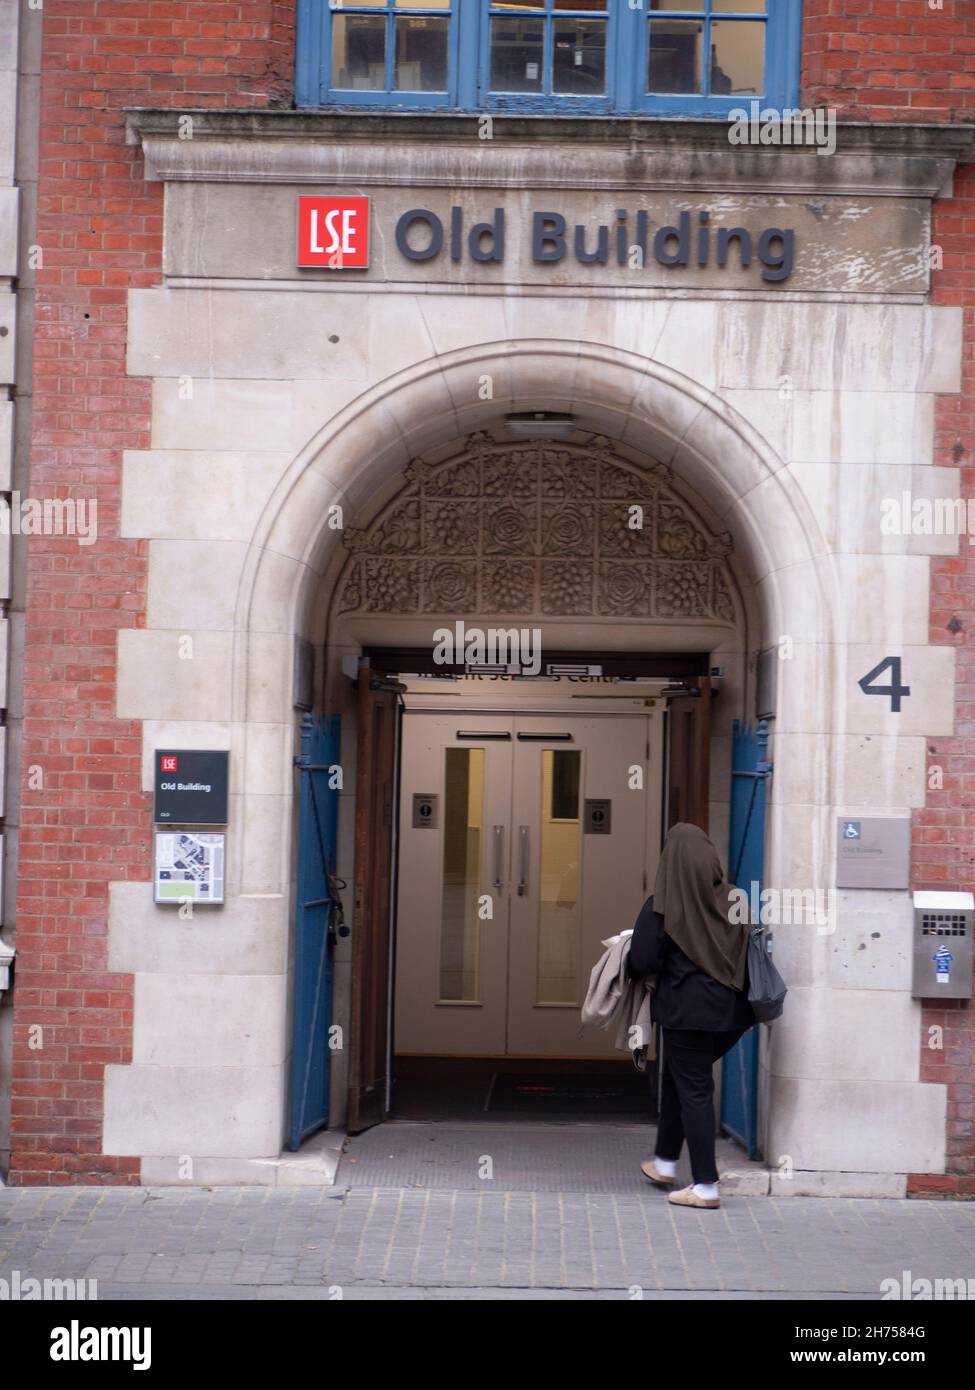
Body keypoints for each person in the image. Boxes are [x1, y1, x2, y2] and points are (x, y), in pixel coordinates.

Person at [628, 822, 753, 1210]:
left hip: (685, 1014)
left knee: (695, 1091)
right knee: (678, 1080)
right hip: (729, 1017)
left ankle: (705, 1186)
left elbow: (642, 961)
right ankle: (665, 1162)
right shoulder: (735, 900)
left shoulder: (663, 905)